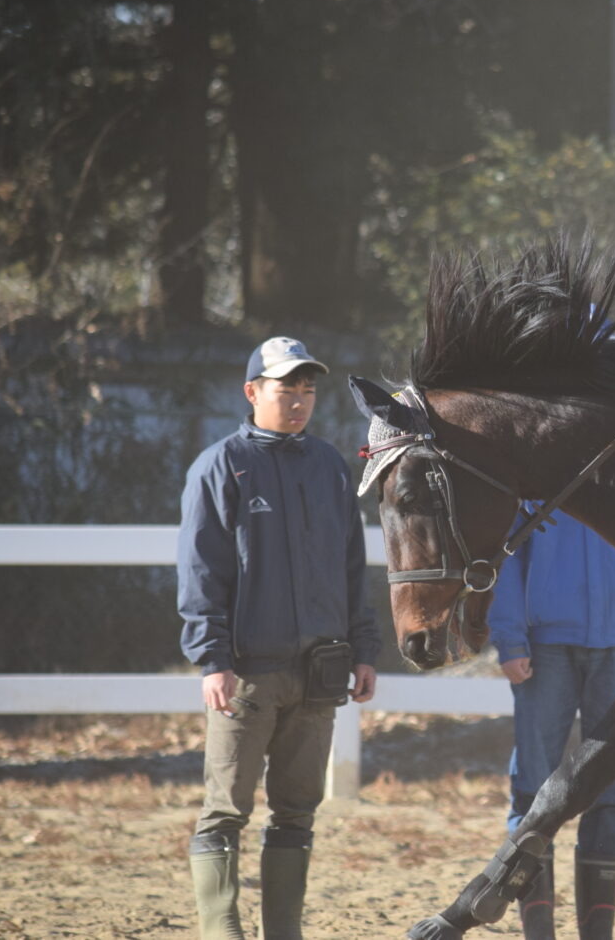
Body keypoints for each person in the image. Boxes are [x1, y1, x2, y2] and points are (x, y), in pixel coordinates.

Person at [178, 336, 381, 940]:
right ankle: (222, 932)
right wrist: (212, 659)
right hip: (248, 673)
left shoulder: (330, 467)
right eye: (284, 387)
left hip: (319, 674)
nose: (298, 400)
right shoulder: (220, 466)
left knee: (297, 811)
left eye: (307, 389)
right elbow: (201, 570)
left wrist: (366, 649)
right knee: (225, 811)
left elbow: (353, 565)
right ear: (252, 392)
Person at [488, 505, 615, 940]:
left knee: (611, 788)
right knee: (533, 786)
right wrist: (509, 637)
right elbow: (507, 556)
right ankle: (538, 932)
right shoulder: (536, 477)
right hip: (545, 648)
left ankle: (598, 933)